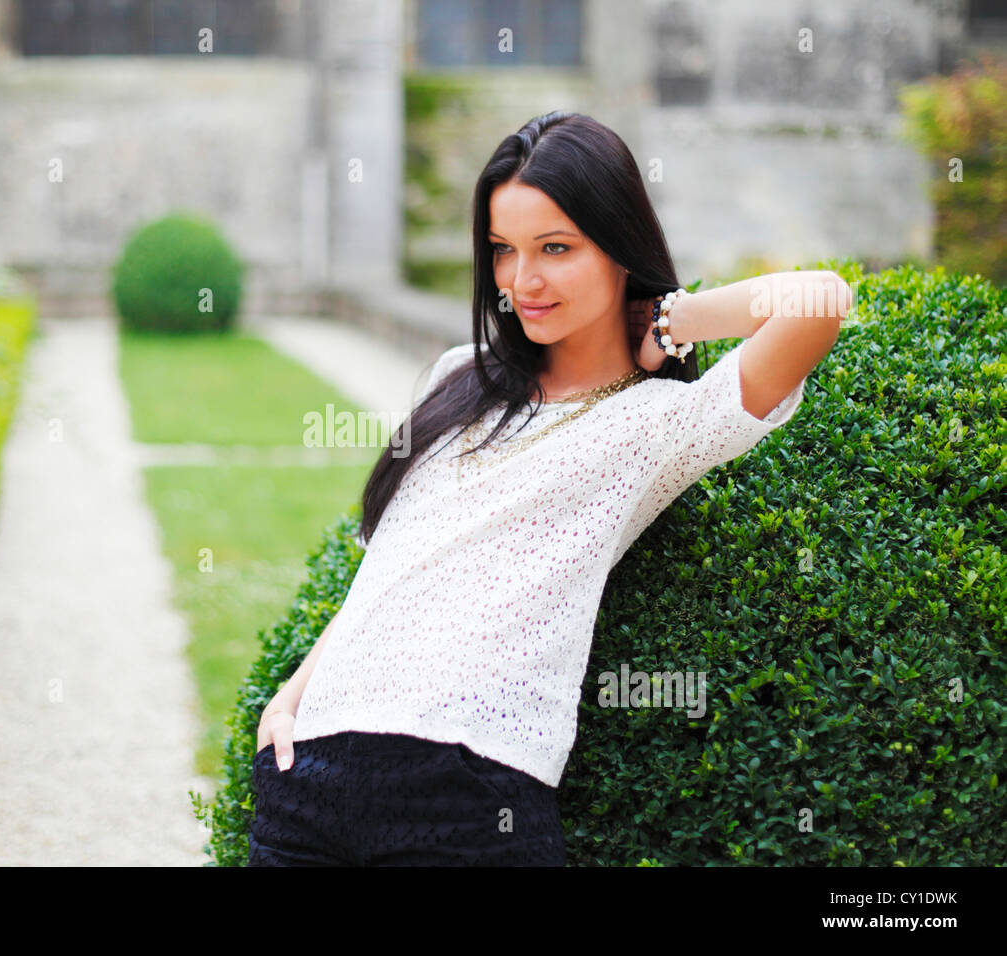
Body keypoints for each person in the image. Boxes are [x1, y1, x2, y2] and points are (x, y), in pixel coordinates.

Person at [248, 110, 848, 867]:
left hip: (469, 789)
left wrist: (668, 320)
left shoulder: (657, 422)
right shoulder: (456, 379)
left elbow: (822, 300)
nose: (521, 282)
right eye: (503, 251)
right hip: (308, 787)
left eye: (555, 249)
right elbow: (389, 570)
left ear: (619, 246)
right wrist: (292, 695)